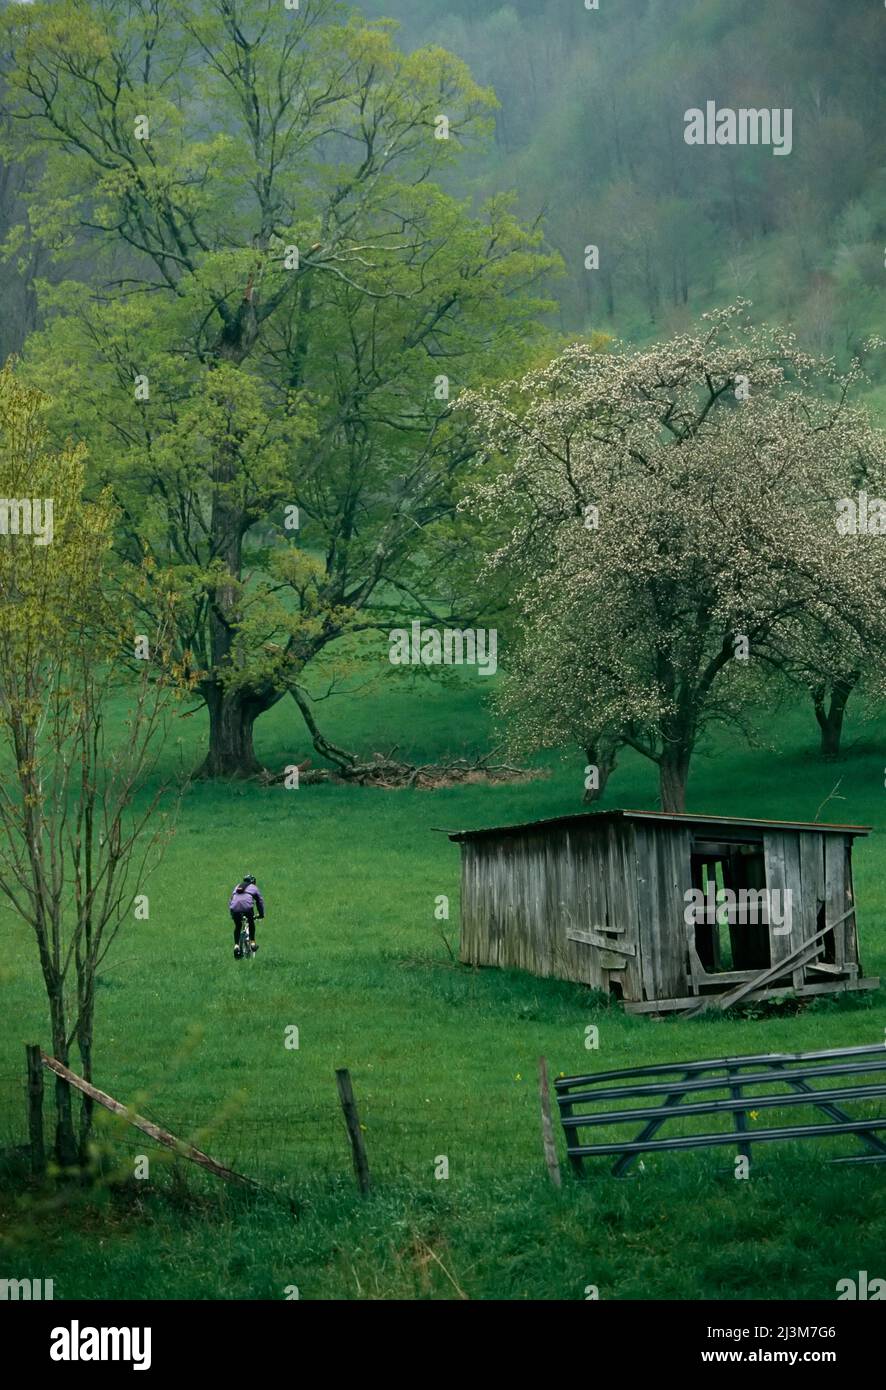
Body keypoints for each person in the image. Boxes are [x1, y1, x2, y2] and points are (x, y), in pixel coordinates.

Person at [230, 874, 265, 958]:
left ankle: (236, 946)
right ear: (253, 882)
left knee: (238, 926)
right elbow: (259, 901)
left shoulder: (237, 886)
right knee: (251, 922)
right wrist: (261, 914)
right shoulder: (253, 887)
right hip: (247, 908)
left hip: (234, 909)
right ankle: (252, 943)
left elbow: (231, 900)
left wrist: (232, 914)